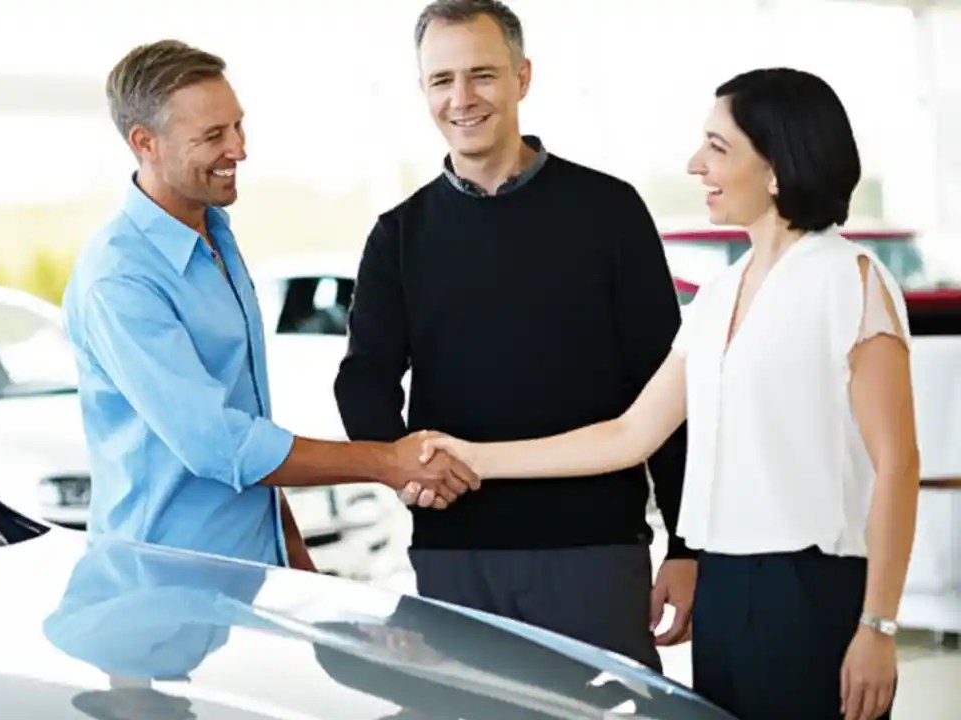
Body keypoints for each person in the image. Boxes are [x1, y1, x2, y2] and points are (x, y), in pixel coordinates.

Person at [420, 67, 918, 720]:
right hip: (725, 588)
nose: (695, 164)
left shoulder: (850, 281)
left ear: (777, 167)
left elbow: (899, 465)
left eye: (717, 147)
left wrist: (878, 626)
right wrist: (471, 456)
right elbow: (628, 434)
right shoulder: (718, 296)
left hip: (813, 588)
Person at [333, 0, 695, 672]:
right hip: (455, 552)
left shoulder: (610, 212)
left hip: (596, 549)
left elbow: (665, 385)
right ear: (423, 91)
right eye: (441, 81)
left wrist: (685, 543)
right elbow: (364, 379)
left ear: (523, 77)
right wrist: (404, 471)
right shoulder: (399, 235)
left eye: (483, 75)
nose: (462, 99)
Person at [61, 40, 479, 572]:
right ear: (146, 143)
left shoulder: (216, 234)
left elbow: (250, 431)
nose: (238, 149)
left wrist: (294, 555)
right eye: (213, 136)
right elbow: (220, 445)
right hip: (164, 581)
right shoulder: (119, 278)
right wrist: (387, 462)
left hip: (251, 572)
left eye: (237, 126)